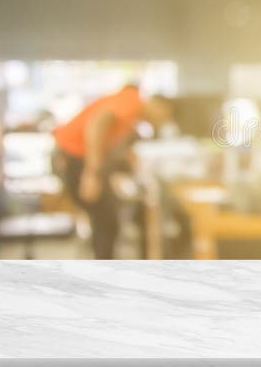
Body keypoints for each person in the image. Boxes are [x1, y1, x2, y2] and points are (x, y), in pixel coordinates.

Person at [53, 85, 173, 259]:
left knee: (106, 220)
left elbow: (110, 140)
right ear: (159, 106)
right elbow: (97, 123)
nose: (161, 121)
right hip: (73, 156)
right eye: (164, 116)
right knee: (106, 220)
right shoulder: (133, 101)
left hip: (76, 156)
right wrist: (91, 173)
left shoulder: (132, 111)